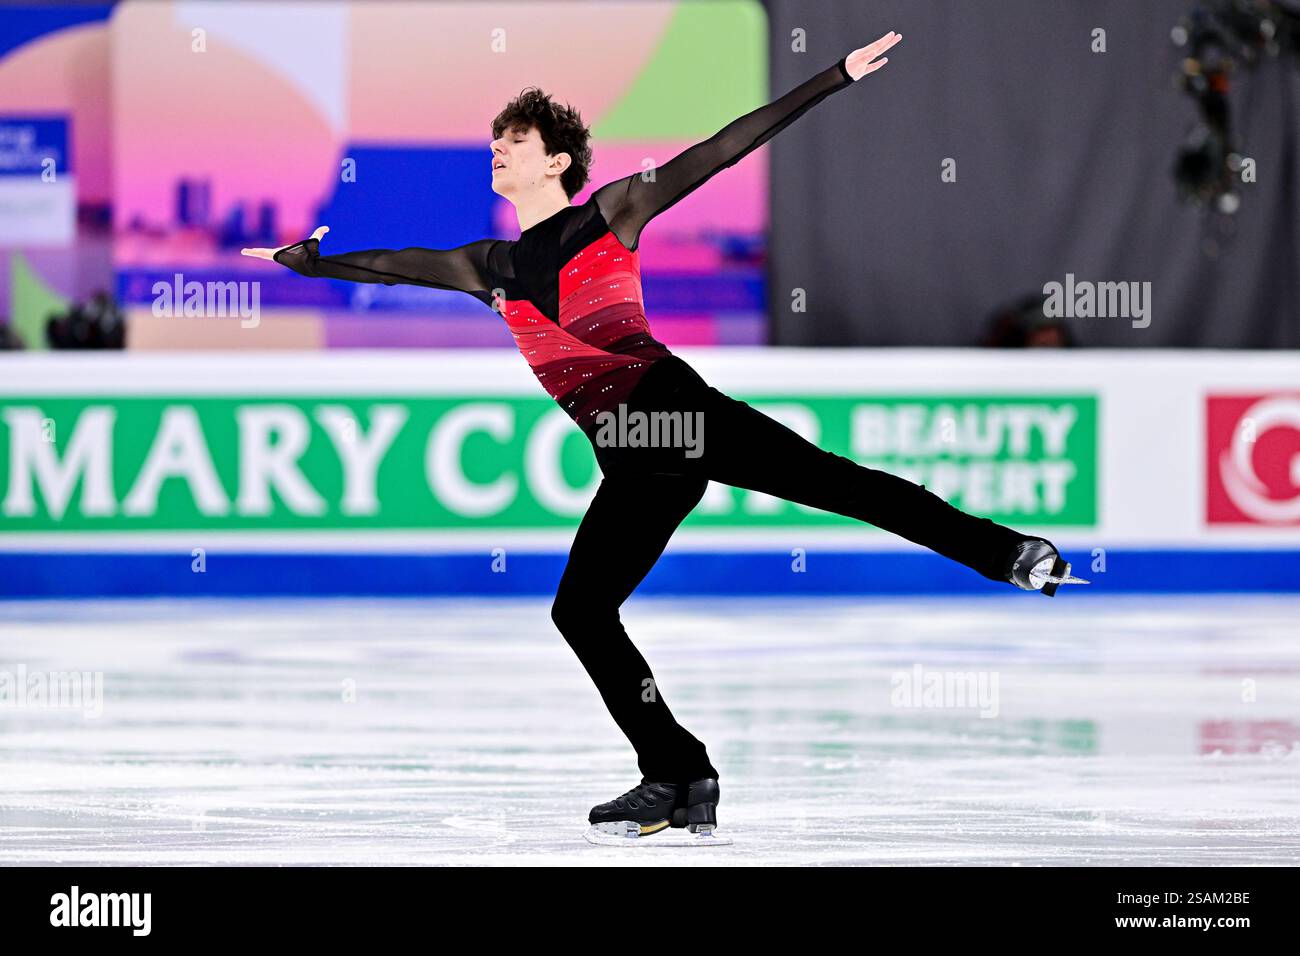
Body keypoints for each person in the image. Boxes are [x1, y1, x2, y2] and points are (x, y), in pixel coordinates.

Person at [243, 32, 1085, 842]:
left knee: (843, 485)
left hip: (675, 412)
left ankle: (1010, 554)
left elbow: (722, 148)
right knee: (580, 610)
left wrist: (834, 76)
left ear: (558, 160)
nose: (497, 149)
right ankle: (680, 772)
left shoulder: (613, 213)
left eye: (515, 139)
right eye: (494, 140)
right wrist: (313, 263)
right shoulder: (486, 265)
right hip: (632, 457)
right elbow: (394, 263)